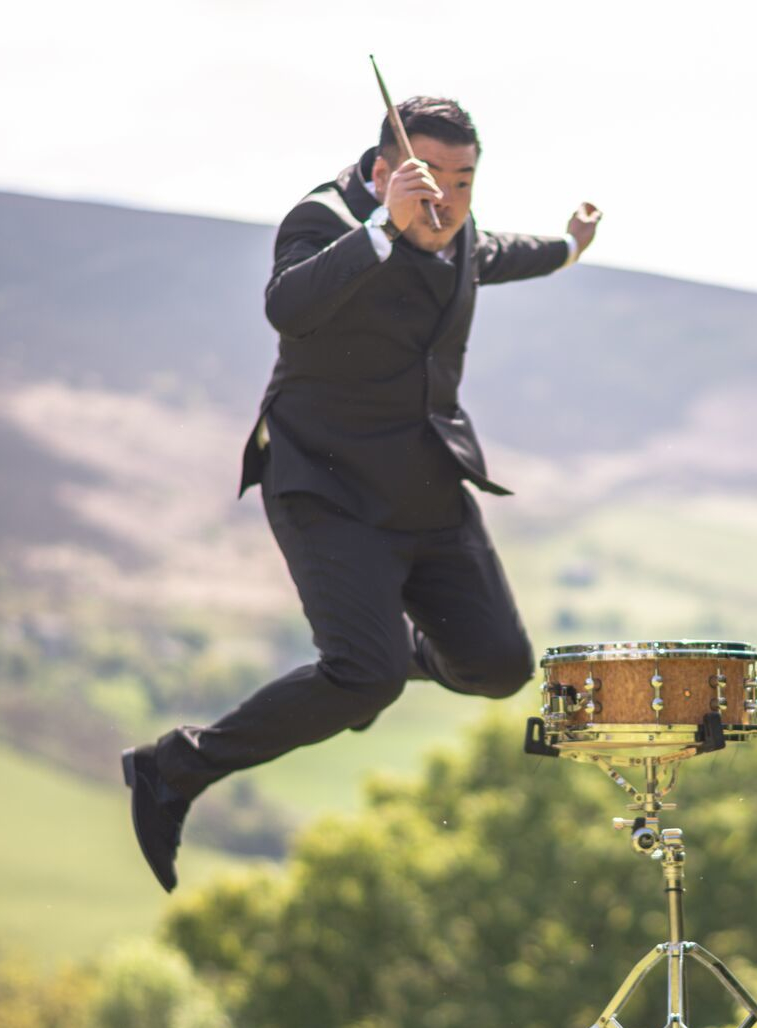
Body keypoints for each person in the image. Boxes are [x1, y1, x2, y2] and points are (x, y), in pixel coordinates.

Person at [122, 96, 602, 891]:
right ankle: (173, 767)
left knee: (499, 666)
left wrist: (569, 247)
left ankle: (382, 651)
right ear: (383, 172)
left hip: (426, 485)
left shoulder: (461, 229)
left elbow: (499, 252)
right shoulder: (320, 220)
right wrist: (382, 227)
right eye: (426, 178)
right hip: (327, 488)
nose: (445, 200)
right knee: (363, 676)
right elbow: (287, 304)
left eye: (465, 180)